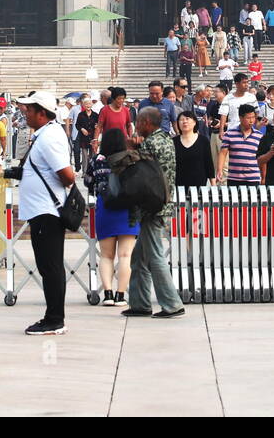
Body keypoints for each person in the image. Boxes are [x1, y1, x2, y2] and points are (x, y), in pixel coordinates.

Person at [16, 91, 78, 336]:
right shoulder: (44, 135)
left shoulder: (49, 137)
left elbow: (68, 175)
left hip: (48, 211)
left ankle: (55, 319)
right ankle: (53, 316)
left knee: (50, 266)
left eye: (30, 110)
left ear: (43, 113)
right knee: (47, 266)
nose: (26, 113)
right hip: (41, 211)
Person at [119, 107, 184, 318]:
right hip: (161, 203)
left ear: (147, 122)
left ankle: (172, 304)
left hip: (151, 207)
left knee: (155, 256)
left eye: (138, 122)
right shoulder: (165, 139)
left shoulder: (150, 143)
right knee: (139, 257)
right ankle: (139, 303)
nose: (136, 126)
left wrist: (129, 148)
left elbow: (136, 171)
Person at [85, 127, 137, 307]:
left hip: (105, 208)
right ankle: (120, 296)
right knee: (125, 256)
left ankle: (107, 293)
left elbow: (87, 181)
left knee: (106, 256)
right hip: (128, 209)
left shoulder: (97, 160)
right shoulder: (130, 158)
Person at [219, 103, 262, 186]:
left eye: (253, 117)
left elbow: (262, 157)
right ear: (240, 118)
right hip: (234, 177)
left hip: (253, 177)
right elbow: (223, 153)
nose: (251, 121)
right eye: (248, 118)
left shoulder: (259, 136)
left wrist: (263, 176)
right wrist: (219, 170)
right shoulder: (229, 134)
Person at [173, 110, 215, 189]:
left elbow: (209, 163)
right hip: (178, 185)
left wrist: (213, 184)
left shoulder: (203, 140)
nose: (184, 122)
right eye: (181, 120)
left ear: (195, 122)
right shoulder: (173, 142)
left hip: (199, 184)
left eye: (187, 119)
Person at [94, 86, 133, 154]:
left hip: (122, 144)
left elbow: (129, 126)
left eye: (123, 99)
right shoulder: (105, 110)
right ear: (113, 99)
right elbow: (99, 126)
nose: (121, 101)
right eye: (119, 99)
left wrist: (130, 138)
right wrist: (95, 140)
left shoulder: (125, 110)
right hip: (108, 143)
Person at [73, 97, 98, 172]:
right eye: (86, 104)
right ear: (83, 105)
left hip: (93, 137)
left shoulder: (95, 115)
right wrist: (82, 129)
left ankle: (92, 171)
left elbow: (99, 125)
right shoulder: (81, 115)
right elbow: (77, 125)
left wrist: (97, 126)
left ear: (92, 104)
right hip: (84, 137)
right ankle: (84, 171)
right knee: (84, 155)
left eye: (89, 104)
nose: (88, 105)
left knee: (92, 155)